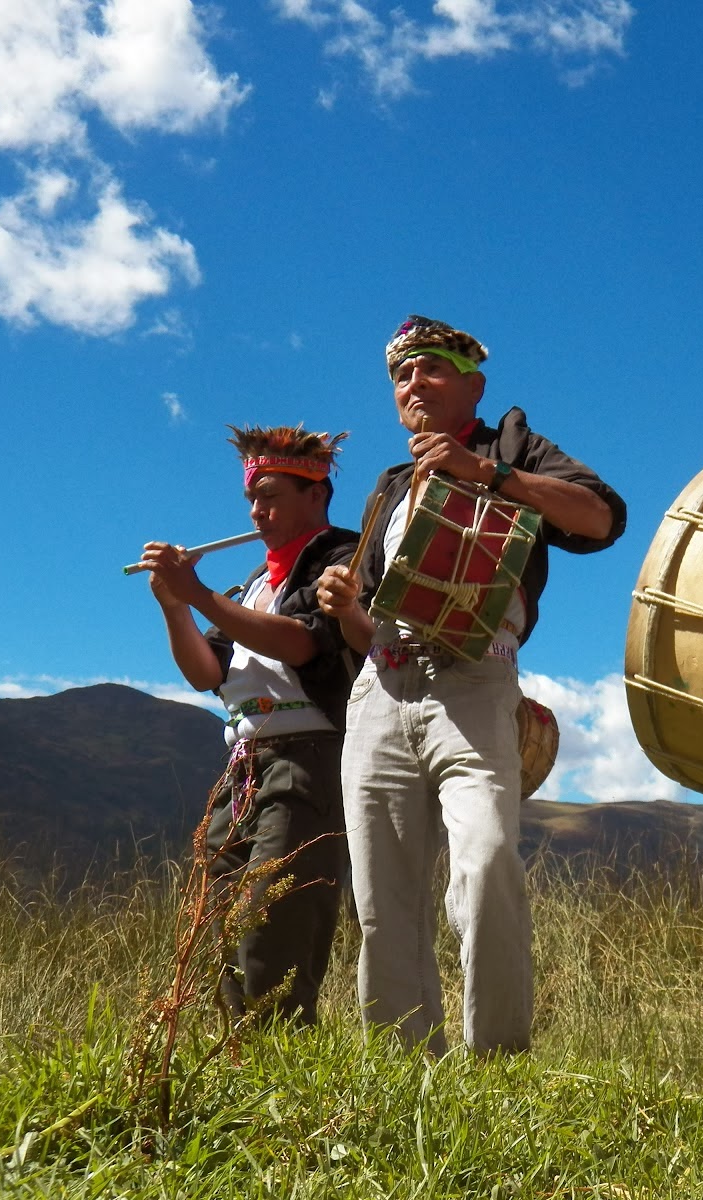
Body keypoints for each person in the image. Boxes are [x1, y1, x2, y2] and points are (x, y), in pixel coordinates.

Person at [317, 315, 626, 1057]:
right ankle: (404, 1066)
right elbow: (367, 631)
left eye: (431, 369)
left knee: (486, 861)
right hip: (383, 692)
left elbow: (602, 517)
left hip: (476, 681)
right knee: (381, 898)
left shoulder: (509, 445)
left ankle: (496, 1064)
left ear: (473, 386)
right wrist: (345, 609)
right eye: (401, 375)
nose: (412, 383)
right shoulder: (388, 486)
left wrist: (488, 472)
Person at [141, 425, 359, 1025]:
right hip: (243, 762)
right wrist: (176, 605)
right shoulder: (255, 586)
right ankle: (241, 1063)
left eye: (271, 496)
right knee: (220, 920)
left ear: (315, 494)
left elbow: (304, 645)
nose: (258, 512)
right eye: (252, 500)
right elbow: (205, 671)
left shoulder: (342, 560)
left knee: (275, 918)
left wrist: (203, 595)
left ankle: (278, 1068)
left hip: (308, 755)